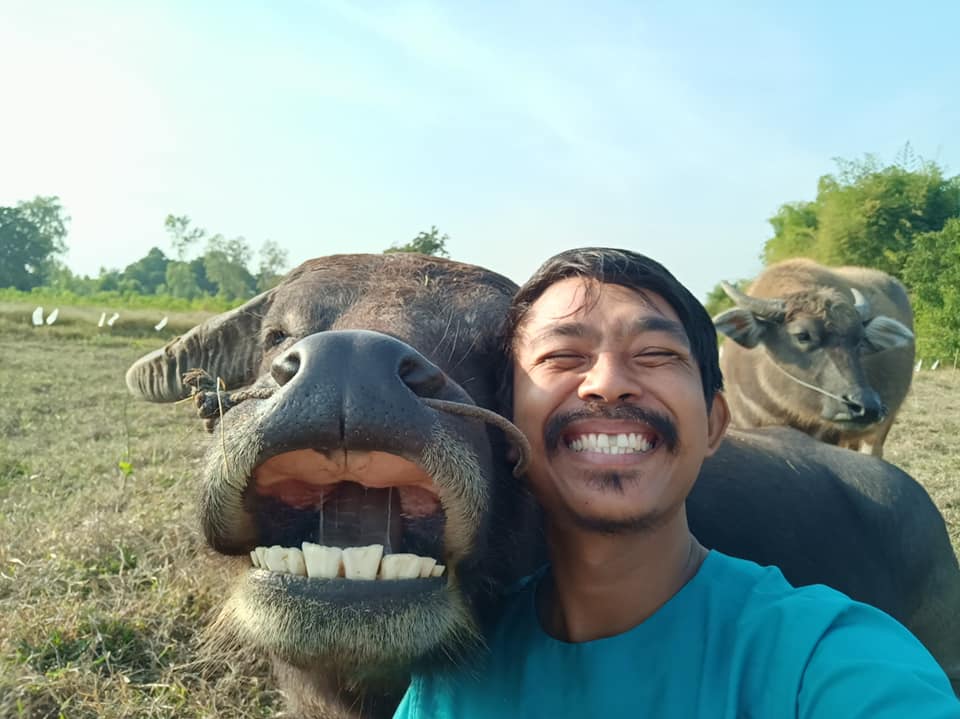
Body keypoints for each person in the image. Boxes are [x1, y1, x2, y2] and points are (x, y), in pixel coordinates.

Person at [394, 247, 960, 718]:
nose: (609, 383)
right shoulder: (446, 684)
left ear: (716, 423)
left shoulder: (828, 661)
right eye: (564, 355)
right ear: (506, 427)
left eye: (657, 353)